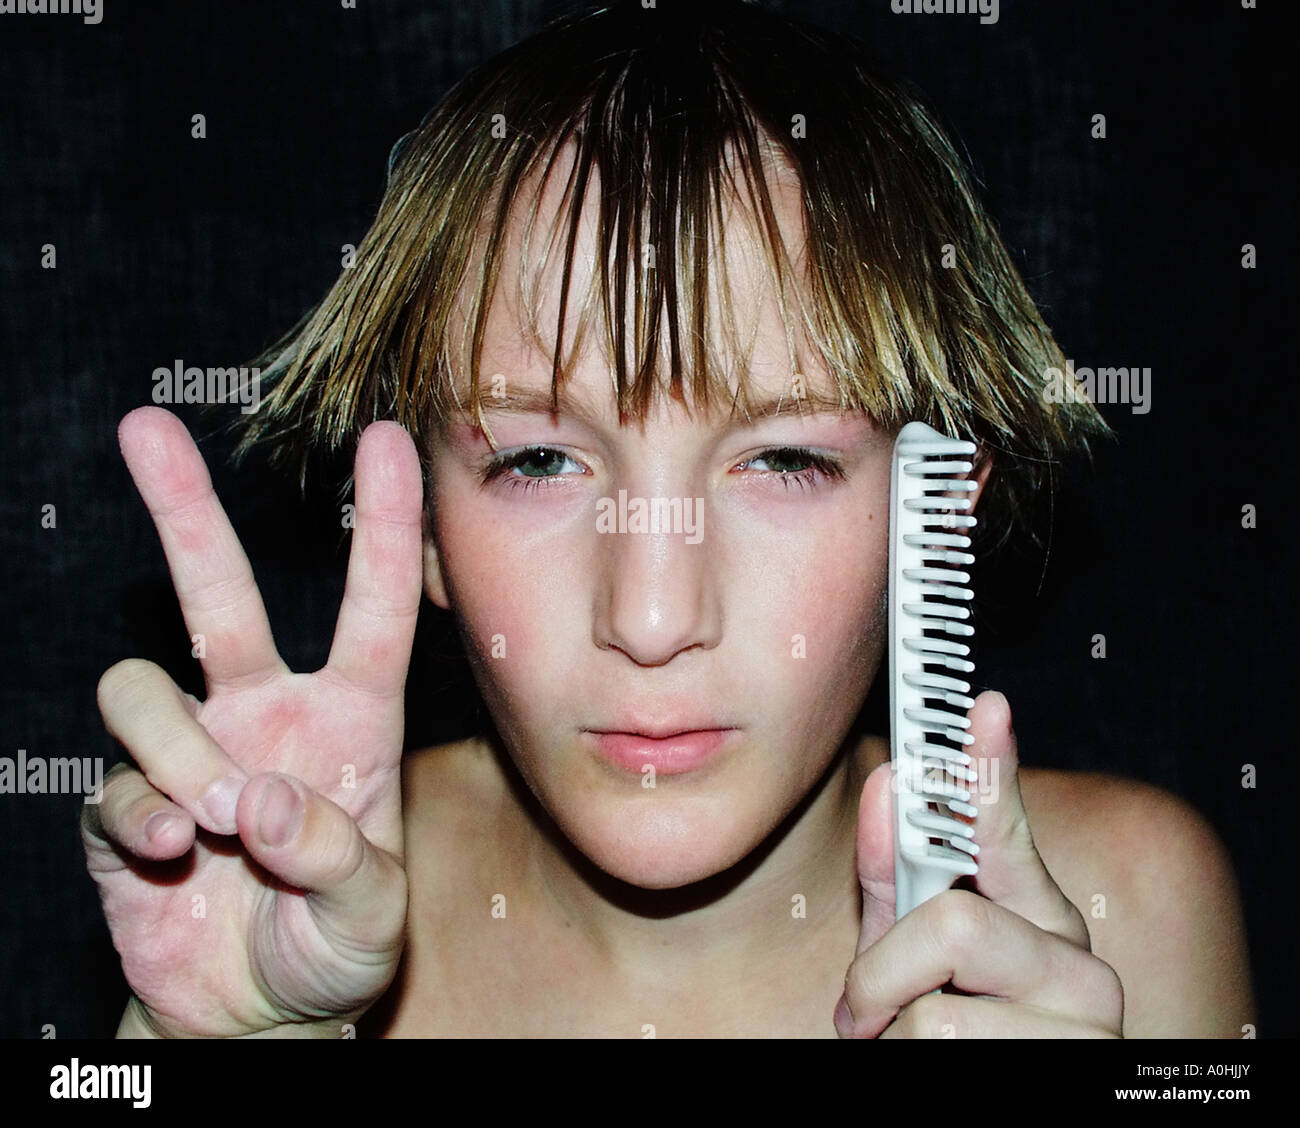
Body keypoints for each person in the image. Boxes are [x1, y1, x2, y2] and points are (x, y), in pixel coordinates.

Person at [84, 0, 1254, 1037]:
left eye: (785, 458)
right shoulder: (278, 910)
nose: (651, 618)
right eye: (540, 458)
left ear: (941, 503)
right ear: (423, 521)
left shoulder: (1128, 915)